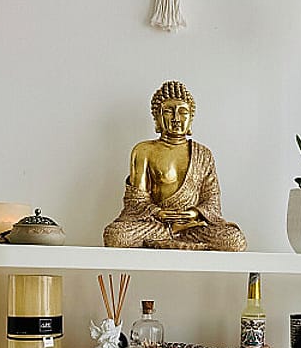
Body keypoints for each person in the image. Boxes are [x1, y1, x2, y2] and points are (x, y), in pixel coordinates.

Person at [103, 81, 247, 251]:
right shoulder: (143, 151)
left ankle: (173, 237)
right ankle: (169, 235)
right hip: (156, 224)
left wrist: (194, 213)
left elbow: (212, 200)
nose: (176, 118)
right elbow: (136, 201)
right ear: (157, 117)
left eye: (183, 112)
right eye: (169, 111)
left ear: (191, 118)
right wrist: (158, 213)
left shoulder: (203, 154)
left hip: (193, 227)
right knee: (115, 236)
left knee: (234, 240)